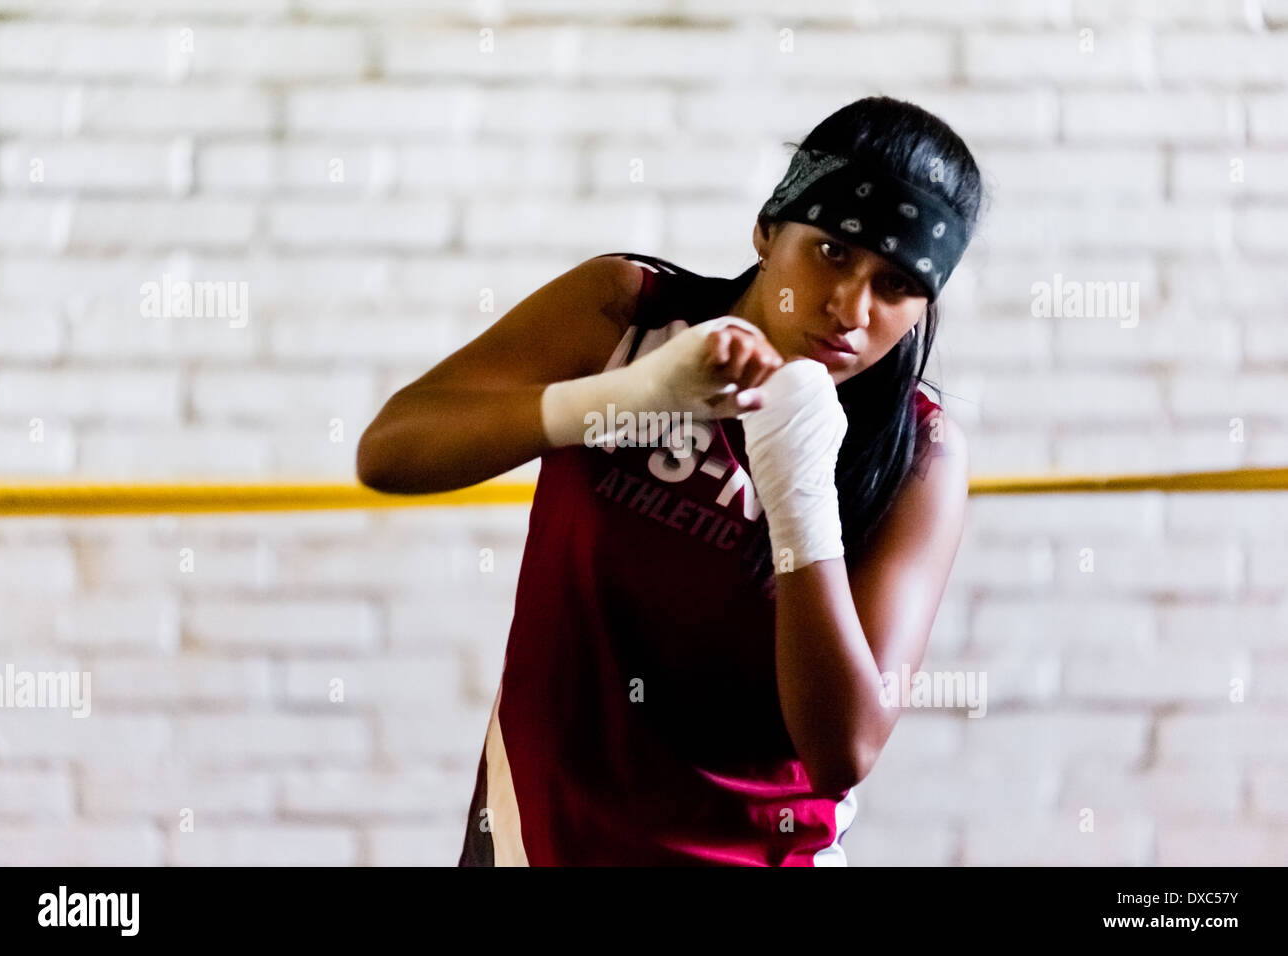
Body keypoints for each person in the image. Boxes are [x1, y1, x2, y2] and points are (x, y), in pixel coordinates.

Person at [357, 95, 986, 866]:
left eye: (896, 285)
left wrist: (800, 491)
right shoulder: (629, 313)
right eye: (832, 253)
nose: (851, 308)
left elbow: (845, 749)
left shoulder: (919, 451)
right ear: (766, 230)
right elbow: (390, 450)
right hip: (537, 835)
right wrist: (620, 397)